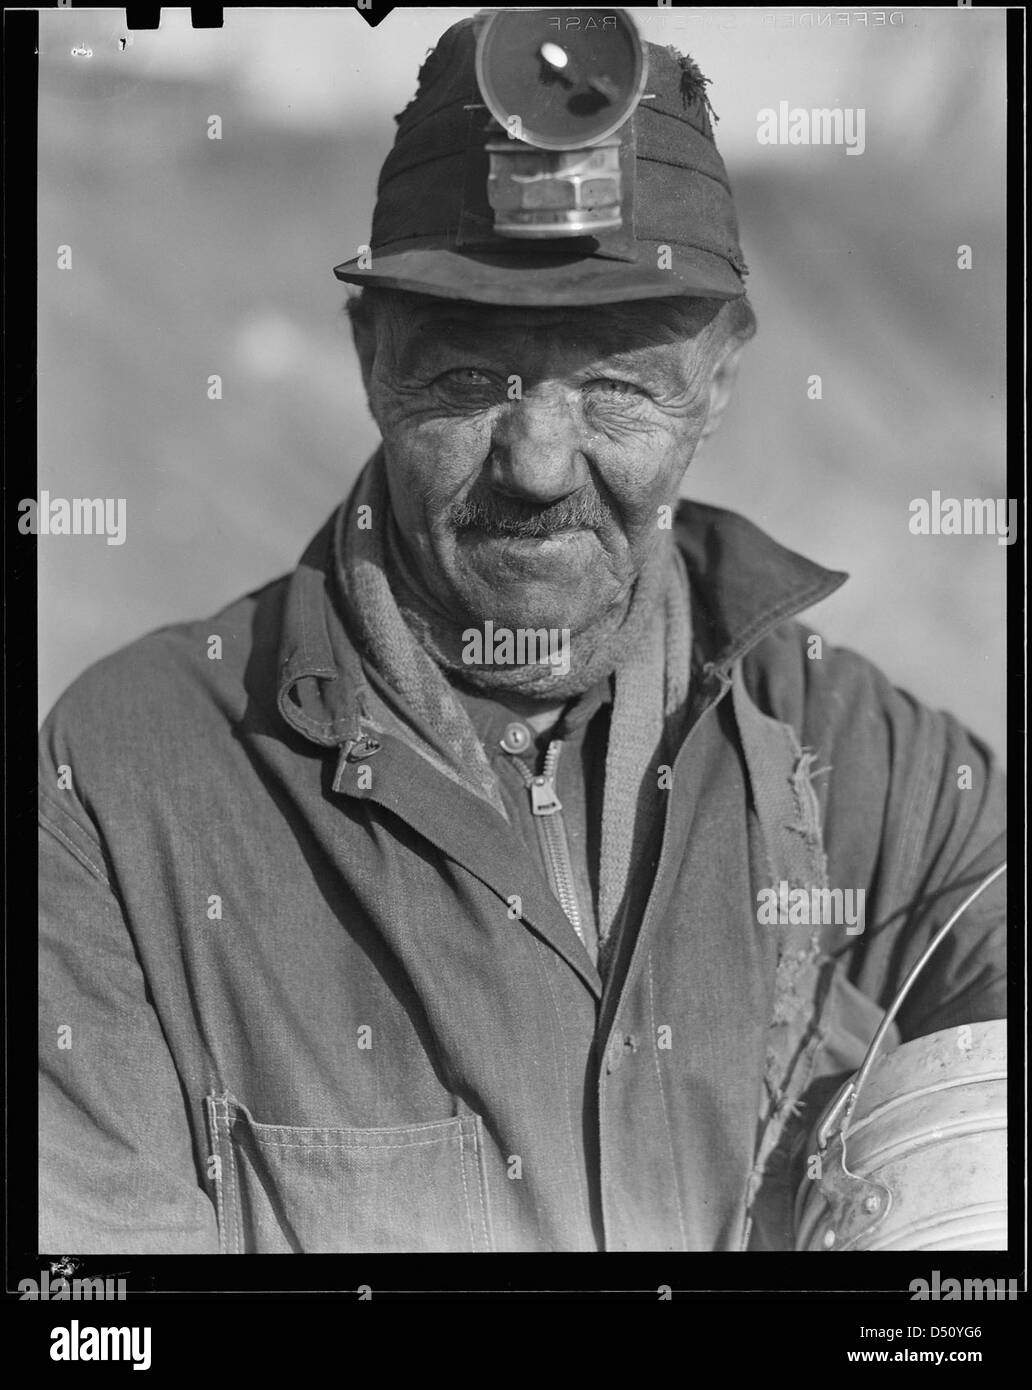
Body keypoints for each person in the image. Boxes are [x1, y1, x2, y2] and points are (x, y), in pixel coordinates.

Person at [39, 17, 1006, 1255]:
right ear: (373, 359)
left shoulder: (854, 756)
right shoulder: (124, 795)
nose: (541, 465)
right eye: (473, 377)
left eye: (617, 382)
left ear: (717, 380)